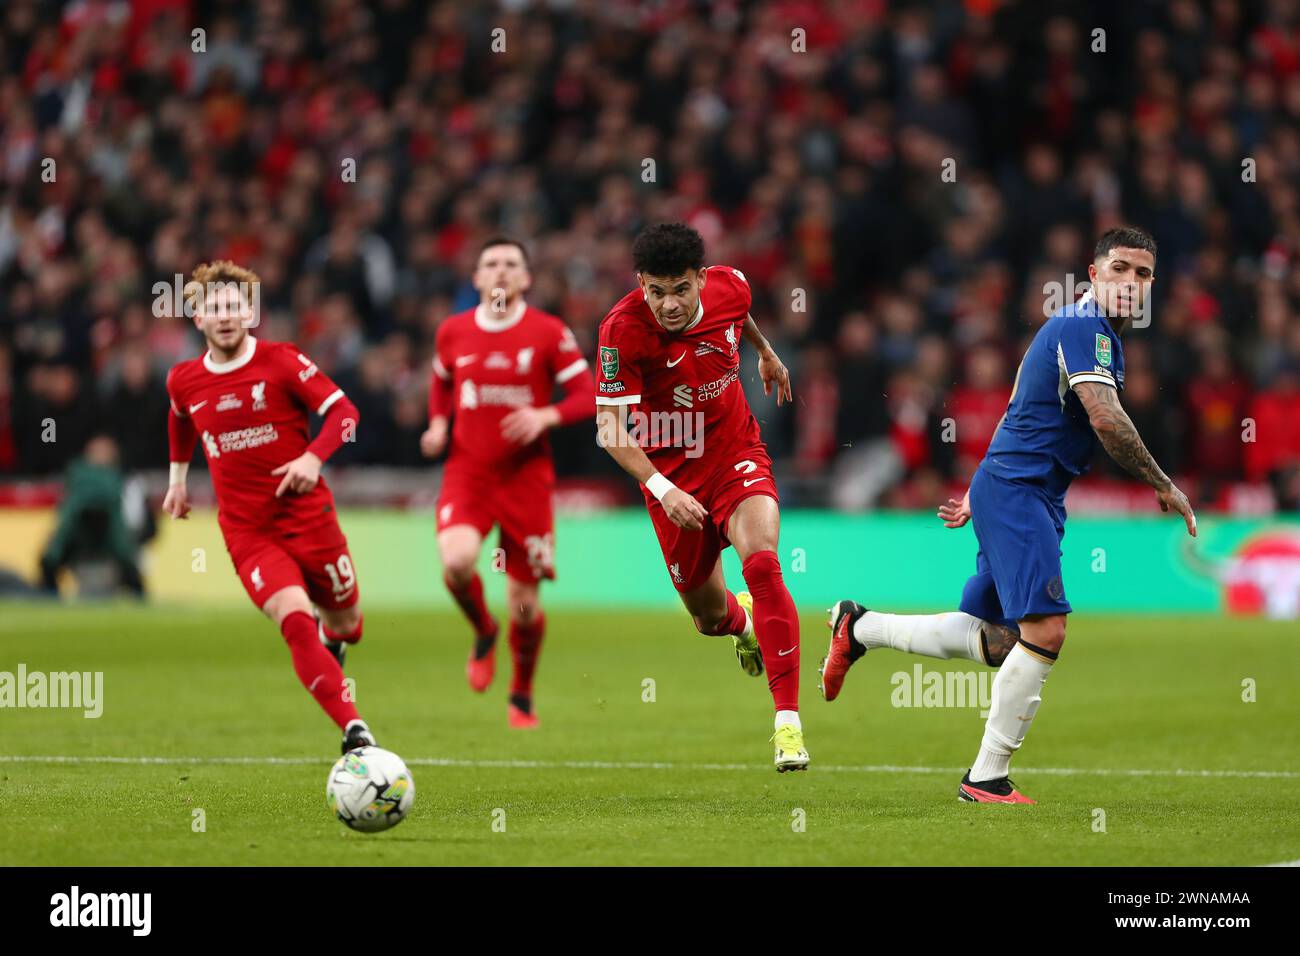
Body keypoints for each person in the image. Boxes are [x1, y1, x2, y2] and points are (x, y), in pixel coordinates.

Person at [819, 226, 1197, 802]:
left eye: (1143, 274)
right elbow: (1105, 418)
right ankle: (986, 777)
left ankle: (859, 626)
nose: (1131, 282)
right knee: (1046, 629)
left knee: (1001, 642)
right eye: (1119, 268)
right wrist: (1163, 483)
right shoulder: (1081, 326)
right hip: (1020, 492)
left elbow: (1020, 399)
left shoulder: (1089, 335)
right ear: (1094, 275)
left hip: (1021, 491)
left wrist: (978, 487)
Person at [594, 222, 806, 771]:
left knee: (762, 561)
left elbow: (741, 314)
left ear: (701, 280)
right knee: (710, 618)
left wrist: (764, 351)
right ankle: (743, 625)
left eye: (680, 289)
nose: (667, 303)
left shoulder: (730, 286)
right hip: (670, 475)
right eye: (655, 290)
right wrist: (663, 491)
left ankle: (787, 724)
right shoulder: (621, 330)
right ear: (640, 282)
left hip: (733, 450)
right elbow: (610, 428)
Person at [163, 260, 377, 755]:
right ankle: (355, 731)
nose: (225, 315)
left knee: (346, 623)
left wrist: (311, 457)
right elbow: (179, 420)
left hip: (308, 517)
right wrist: (177, 480)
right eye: (213, 308)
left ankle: (336, 638)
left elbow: (346, 414)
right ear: (198, 319)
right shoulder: (184, 380)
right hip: (249, 532)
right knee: (294, 618)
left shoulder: (282, 361)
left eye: (234, 305)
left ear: (250, 312)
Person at [420, 238, 594, 728]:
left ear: (526, 279)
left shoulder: (548, 332)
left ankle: (520, 694)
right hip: (468, 472)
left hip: (525, 478)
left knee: (524, 606)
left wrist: (546, 415)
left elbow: (587, 395)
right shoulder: (453, 332)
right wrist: (438, 424)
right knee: (456, 563)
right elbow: (440, 383)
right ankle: (482, 627)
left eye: (510, 265)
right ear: (476, 278)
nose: (500, 272)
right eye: (490, 264)